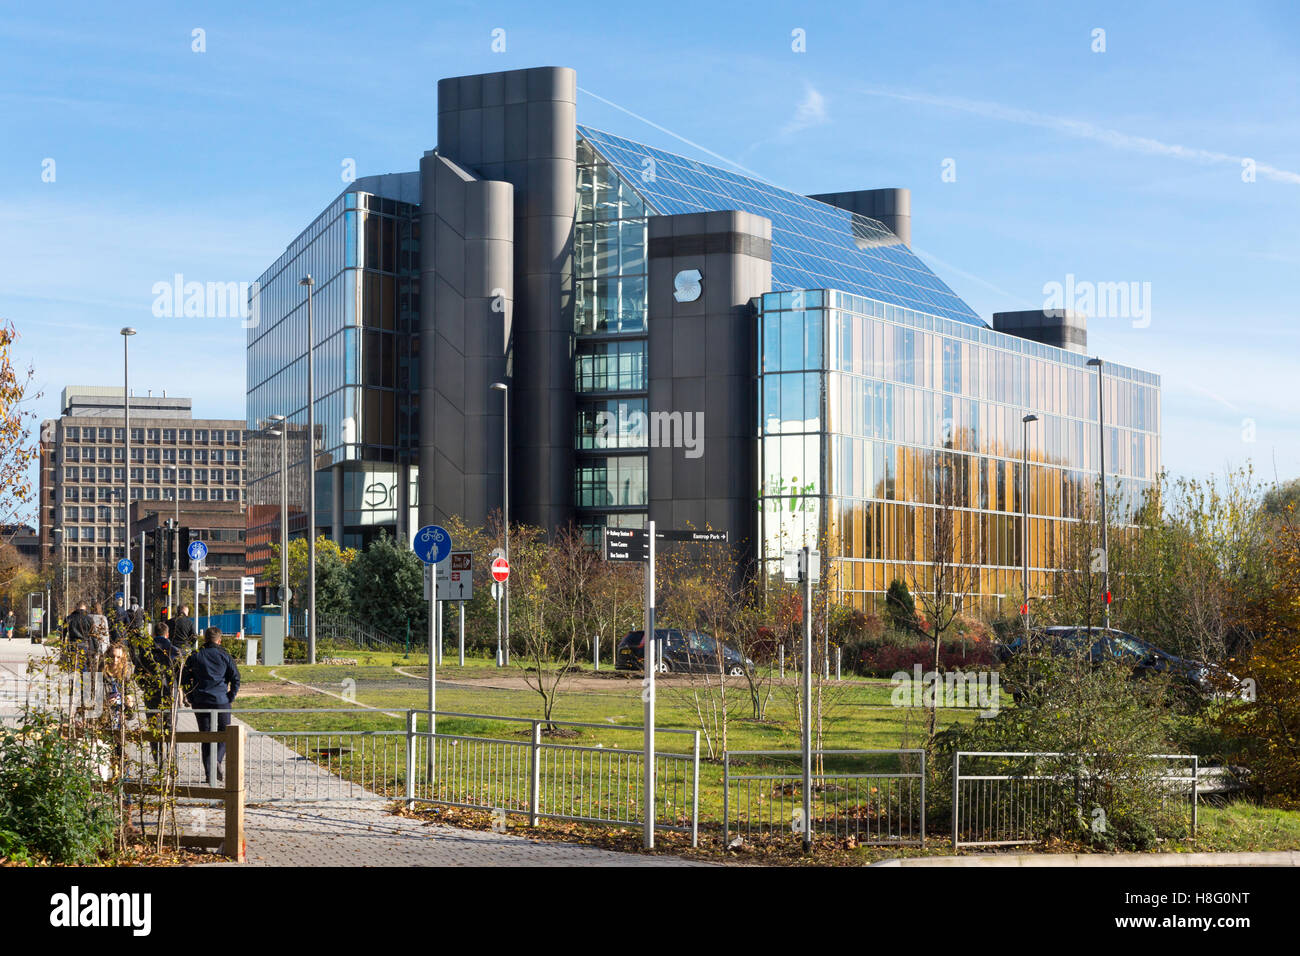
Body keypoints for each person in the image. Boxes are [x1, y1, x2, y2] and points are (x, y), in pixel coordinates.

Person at [181, 626, 240, 783]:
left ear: (205, 639)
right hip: (221, 701)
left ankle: (209, 773)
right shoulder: (224, 655)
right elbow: (235, 678)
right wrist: (230, 696)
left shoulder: (196, 656)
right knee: (225, 735)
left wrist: (191, 696)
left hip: (201, 701)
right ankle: (217, 760)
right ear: (219, 640)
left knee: (206, 736)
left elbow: (184, 678)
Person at [139, 621, 179, 762]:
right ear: (167, 634)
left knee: (154, 729)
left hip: (151, 695)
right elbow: (180, 675)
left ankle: (159, 761)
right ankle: (172, 761)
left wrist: (145, 687)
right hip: (169, 694)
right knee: (170, 729)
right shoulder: (174, 651)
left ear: (153, 634)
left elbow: (138, 673)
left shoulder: (145, 651)